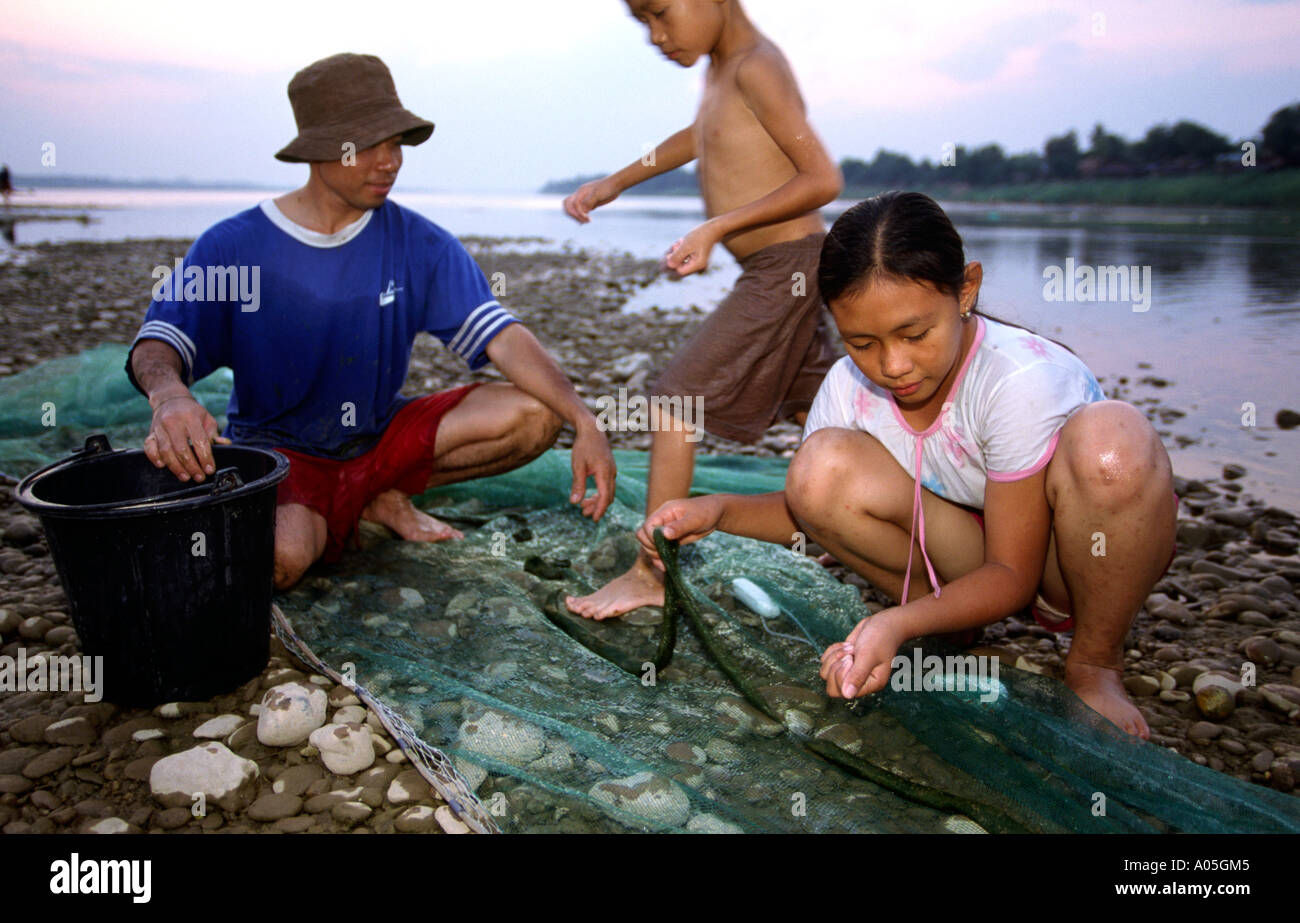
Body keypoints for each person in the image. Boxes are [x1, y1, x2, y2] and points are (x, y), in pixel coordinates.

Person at [633, 191, 1178, 739]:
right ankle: (953, 621)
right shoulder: (848, 384)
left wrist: (892, 624)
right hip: (970, 554)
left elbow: (1015, 575)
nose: (894, 366)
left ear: (966, 290)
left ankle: (1095, 664)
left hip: (1067, 563)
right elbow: (806, 507)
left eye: (915, 335)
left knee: (1115, 440)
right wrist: (714, 509)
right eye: (862, 342)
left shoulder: (1017, 380)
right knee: (818, 468)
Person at [127, 53, 616, 590]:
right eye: (368, 146)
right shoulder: (234, 245)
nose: (390, 162)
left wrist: (583, 417)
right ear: (318, 150)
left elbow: (502, 335)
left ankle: (379, 494)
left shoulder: (419, 242)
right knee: (280, 562)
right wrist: (170, 398)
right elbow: (158, 343)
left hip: (378, 439)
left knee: (536, 415)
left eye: (397, 143)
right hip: (280, 454)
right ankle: (350, 506)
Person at [562, 0, 843, 620]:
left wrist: (718, 226)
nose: (656, 37)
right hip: (788, 268)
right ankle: (891, 528)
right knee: (822, 409)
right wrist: (616, 183)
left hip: (789, 265)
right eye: (644, 25)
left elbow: (823, 178)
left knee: (675, 401)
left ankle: (652, 572)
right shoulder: (722, 70)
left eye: (661, 14)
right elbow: (700, 138)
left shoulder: (756, 65)